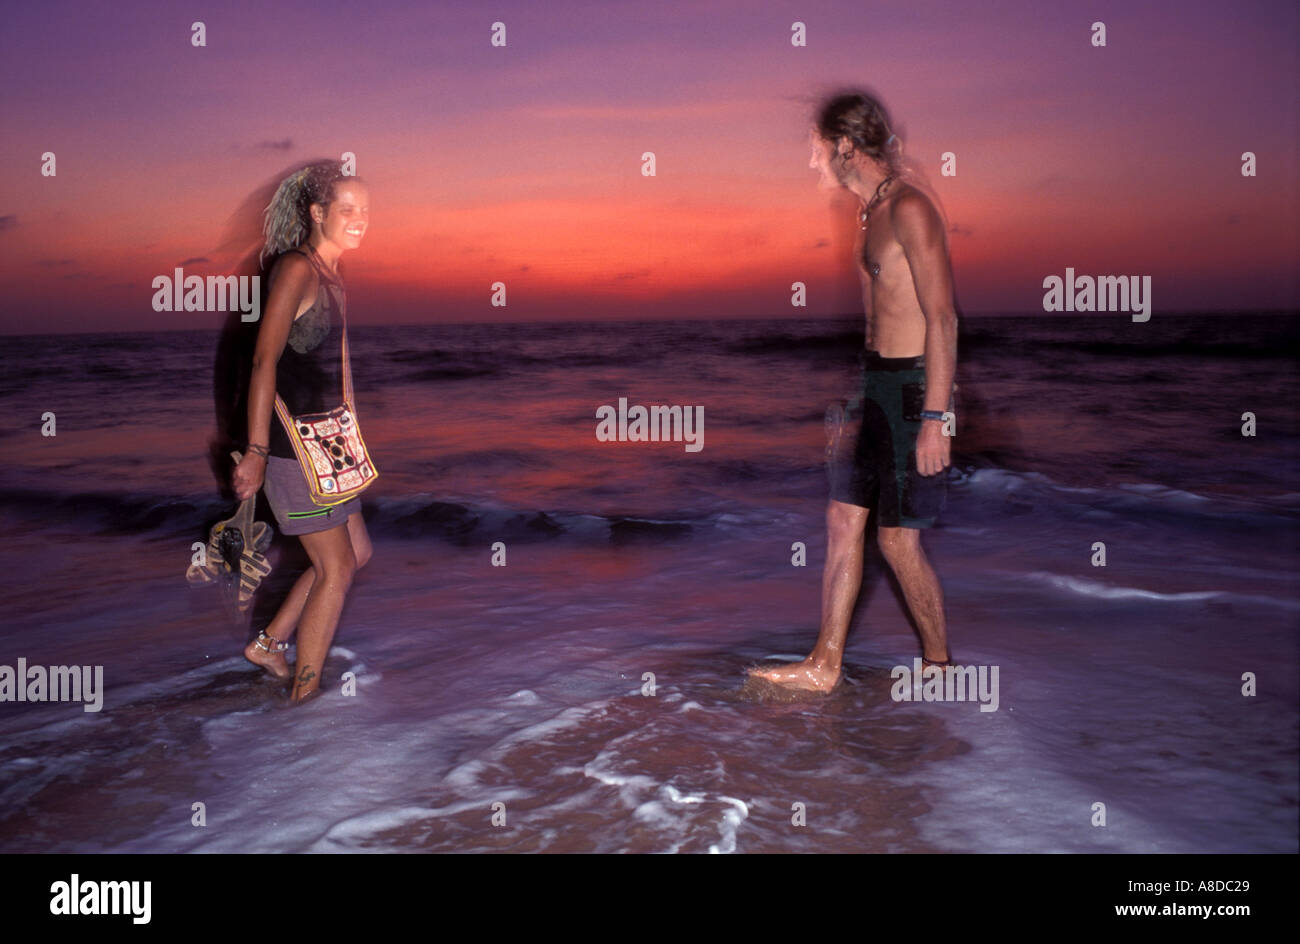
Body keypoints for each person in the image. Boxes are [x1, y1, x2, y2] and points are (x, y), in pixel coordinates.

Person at [751, 91, 958, 692]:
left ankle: (940, 668)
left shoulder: (910, 209)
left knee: (897, 542)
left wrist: (936, 417)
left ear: (845, 145)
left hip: (915, 390)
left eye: (816, 149)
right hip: (878, 385)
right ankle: (825, 665)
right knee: (844, 520)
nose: (812, 162)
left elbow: (941, 318)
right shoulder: (869, 213)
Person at [232, 162, 374, 703]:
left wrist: (353, 431)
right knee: (334, 567)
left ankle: (270, 644)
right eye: (348, 209)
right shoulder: (296, 269)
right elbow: (264, 361)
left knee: (354, 553)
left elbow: (330, 366)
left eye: (366, 211)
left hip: (330, 444)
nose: (360, 220)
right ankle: (305, 702)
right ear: (318, 213)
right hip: (292, 449)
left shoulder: (333, 273)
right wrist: (257, 452)